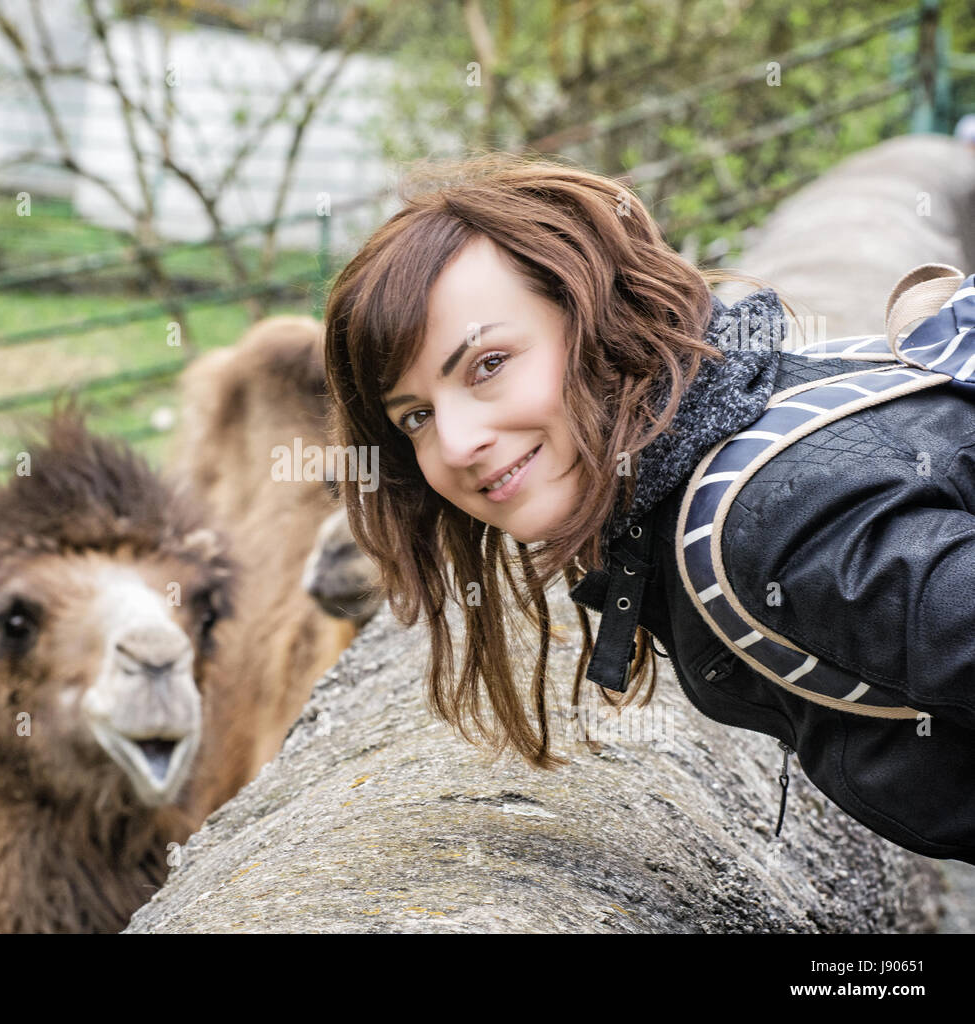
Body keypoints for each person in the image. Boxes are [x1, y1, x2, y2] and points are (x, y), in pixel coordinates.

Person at [322, 151, 975, 864]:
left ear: (601, 322)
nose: (456, 442)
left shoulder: (776, 528)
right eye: (415, 416)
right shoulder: (738, 438)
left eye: (488, 365)